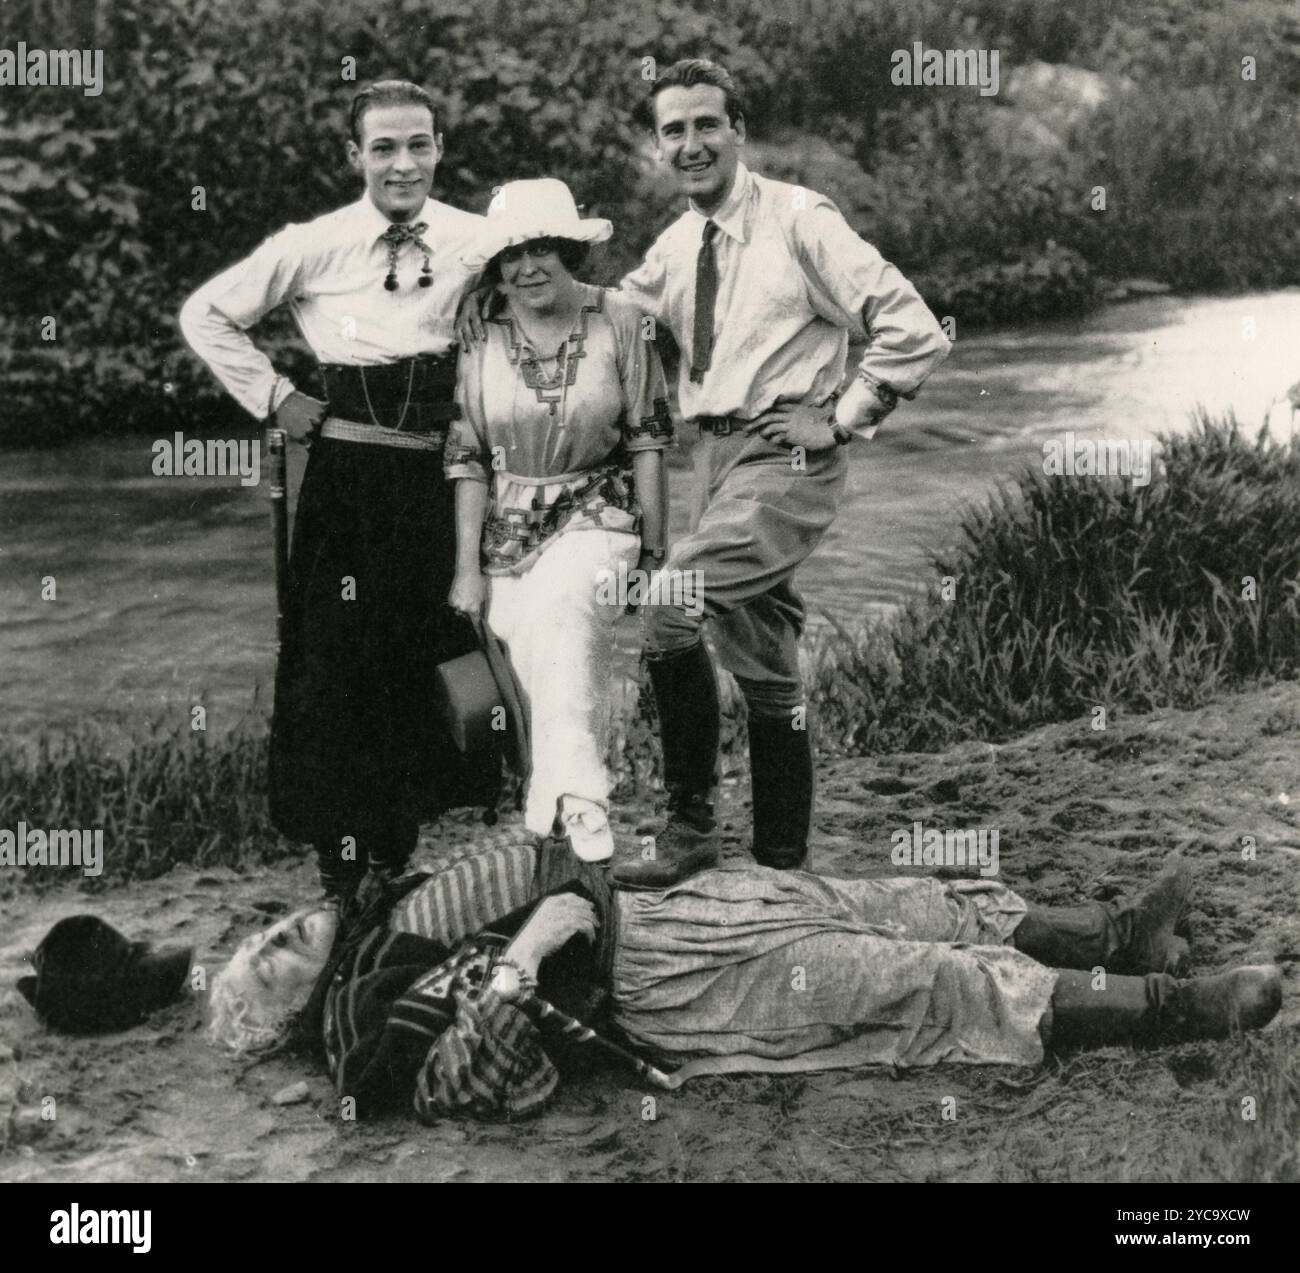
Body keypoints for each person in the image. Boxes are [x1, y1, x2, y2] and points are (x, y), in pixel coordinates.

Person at [207, 849, 1282, 1122]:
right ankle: (1172, 1011)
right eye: (269, 960)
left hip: (673, 910)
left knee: (909, 901)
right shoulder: (371, 1035)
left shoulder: (389, 918)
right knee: (924, 982)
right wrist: (530, 947)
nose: (273, 934)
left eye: (264, 933)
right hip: (665, 996)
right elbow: (486, 1074)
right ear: (290, 1011)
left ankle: (1123, 936)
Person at [179, 81, 496, 901]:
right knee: (336, 666)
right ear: (354, 157)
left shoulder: (475, 238)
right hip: (349, 480)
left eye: (418, 144)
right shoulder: (314, 243)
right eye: (383, 148)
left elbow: (528, 308)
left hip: (442, 474)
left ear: (439, 148)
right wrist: (276, 396)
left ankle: (394, 856)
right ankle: (339, 868)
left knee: (420, 657)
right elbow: (207, 313)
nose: (403, 164)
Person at [444, 179, 672, 864]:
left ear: (570, 248)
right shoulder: (479, 329)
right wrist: (466, 571)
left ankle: (581, 805)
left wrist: (656, 549)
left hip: (598, 509)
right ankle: (552, 806)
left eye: (543, 248)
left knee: (567, 609)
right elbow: (469, 457)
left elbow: (649, 437)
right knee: (525, 635)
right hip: (508, 527)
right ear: (496, 270)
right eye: (512, 256)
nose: (528, 267)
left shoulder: (622, 319)